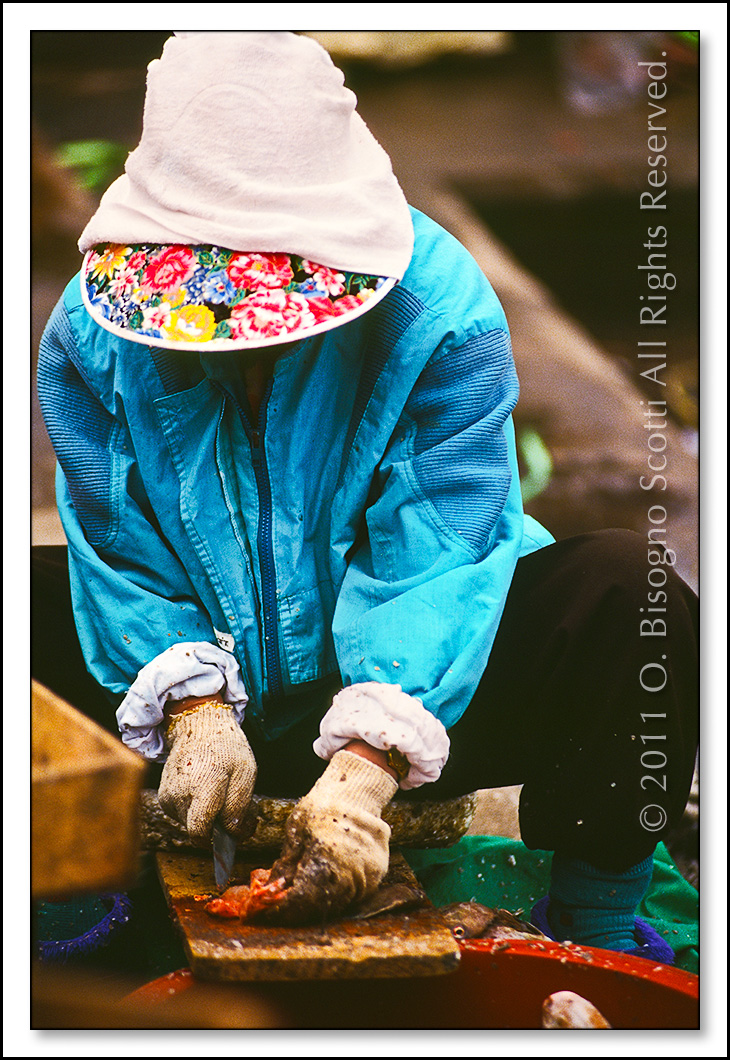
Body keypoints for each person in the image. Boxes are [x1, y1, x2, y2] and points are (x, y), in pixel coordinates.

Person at [34, 31, 697, 954]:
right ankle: (65, 901)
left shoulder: (439, 312)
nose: (243, 345)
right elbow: (117, 543)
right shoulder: (93, 334)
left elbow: (440, 543)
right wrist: (190, 707)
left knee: (635, 596)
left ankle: (594, 928)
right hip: (206, 693)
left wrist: (366, 767)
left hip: (423, 689)